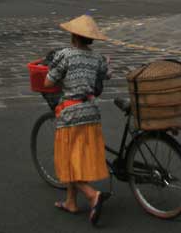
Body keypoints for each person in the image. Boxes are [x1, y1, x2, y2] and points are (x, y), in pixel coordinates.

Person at [44, 15, 112, 223]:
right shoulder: (97, 59)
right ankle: (71, 202)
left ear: (73, 35)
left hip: (70, 114)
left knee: (67, 161)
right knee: (77, 157)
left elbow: (48, 83)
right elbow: (103, 81)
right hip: (91, 113)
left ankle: (92, 195)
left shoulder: (65, 55)